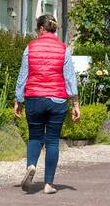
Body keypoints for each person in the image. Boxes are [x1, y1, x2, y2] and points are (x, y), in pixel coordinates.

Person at [13, 14, 80, 194]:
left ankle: (31, 165)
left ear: (41, 29)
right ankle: (48, 184)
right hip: (57, 100)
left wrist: (18, 99)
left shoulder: (30, 47)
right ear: (54, 29)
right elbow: (69, 78)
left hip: (34, 97)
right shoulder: (63, 49)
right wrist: (75, 104)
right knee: (52, 141)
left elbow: (23, 75)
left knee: (35, 136)